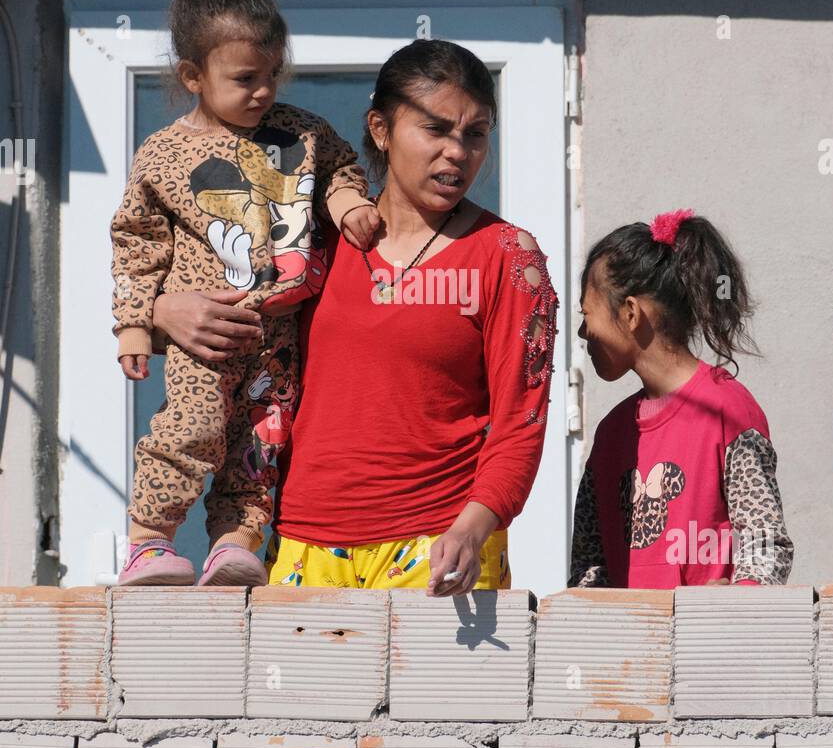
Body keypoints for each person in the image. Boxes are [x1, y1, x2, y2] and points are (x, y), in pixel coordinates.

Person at [152, 38, 560, 596]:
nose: (458, 152)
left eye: (476, 133)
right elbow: (225, 311)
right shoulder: (308, 239)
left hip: (442, 546)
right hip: (302, 543)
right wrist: (162, 311)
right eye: (436, 129)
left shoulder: (510, 258)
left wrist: (475, 525)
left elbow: (521, 422)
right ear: (380, 130)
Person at [110, 0, 378, 588]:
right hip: (207, 332)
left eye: (272, 75)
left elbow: (339, 170)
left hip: (279, 337)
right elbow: (136, 241)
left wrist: (349, 205)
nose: (263, 92)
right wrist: (133, 325)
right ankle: (149, 540)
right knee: (193, 428)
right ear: (192, 75)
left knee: (262, 443)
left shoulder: (302, 132)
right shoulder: (165, 153)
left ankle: (236, 544)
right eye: (245, 78)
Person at [569, 208, 793, 589]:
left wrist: (735, 601)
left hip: (709, 645)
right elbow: (589, 566)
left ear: (630, 313)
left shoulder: (729, 411)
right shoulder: (610, 435)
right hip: (629, 645)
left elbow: (764, 545)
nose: (582, 331)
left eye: (587, 313)